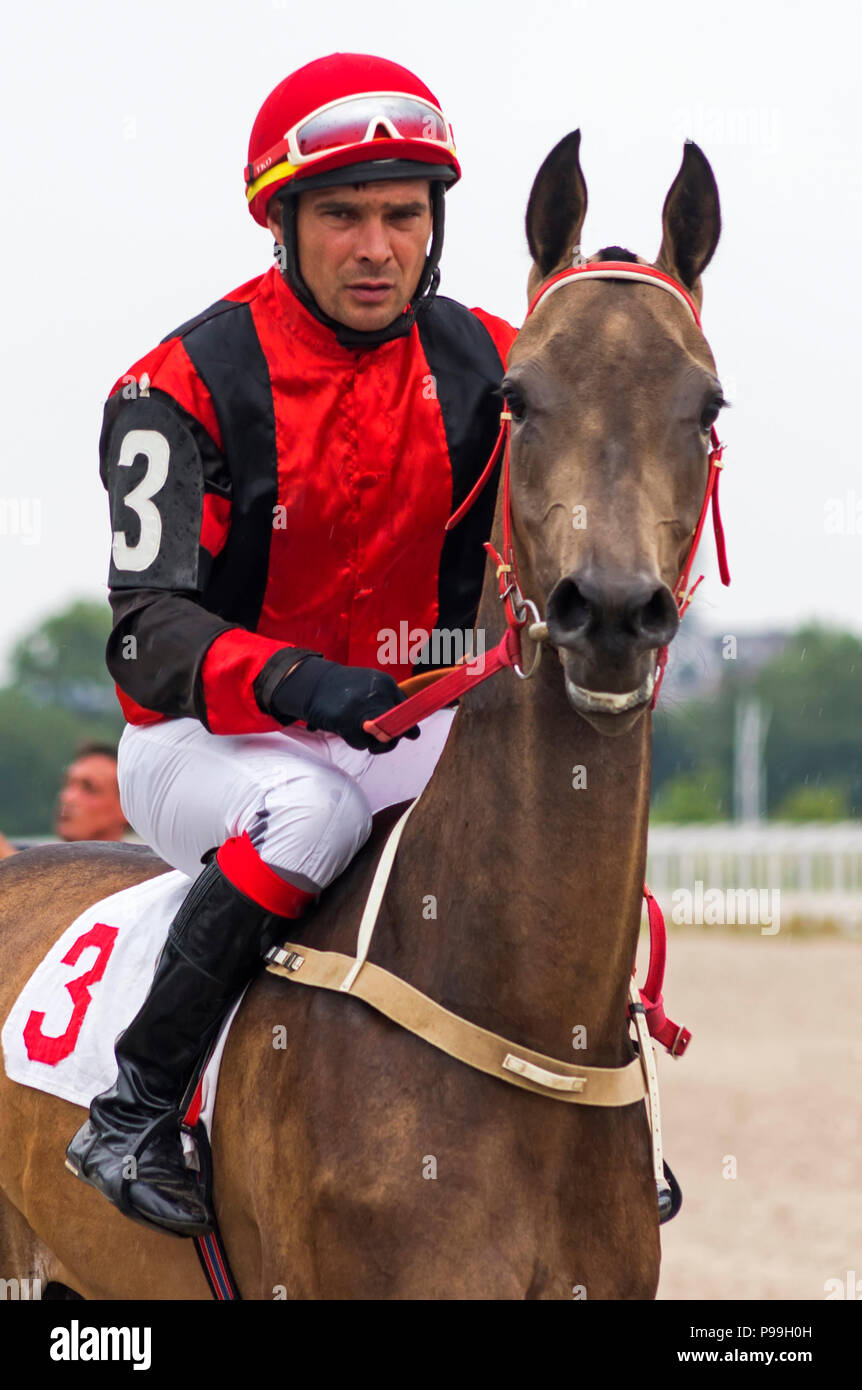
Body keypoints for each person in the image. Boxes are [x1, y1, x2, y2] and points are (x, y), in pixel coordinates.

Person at [66, 52, 516, 1238]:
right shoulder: (179, 383)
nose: (377, 247)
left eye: (402, 216)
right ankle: (134, 1107)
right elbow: (146, 634)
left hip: (407, 727)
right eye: (344, 215)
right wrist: (312, 687)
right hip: (207, 750)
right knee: (308, 816)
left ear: (433, 225)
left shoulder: (494, 364)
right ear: (283, 222)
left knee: (552, 817)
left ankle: (593, 1116)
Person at [0, 742, 129, 857]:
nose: (67, 797)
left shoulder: (140, 878)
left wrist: (9, 864)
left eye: (89, 788)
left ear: (127, 808)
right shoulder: (32, 854)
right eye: (68, 784)